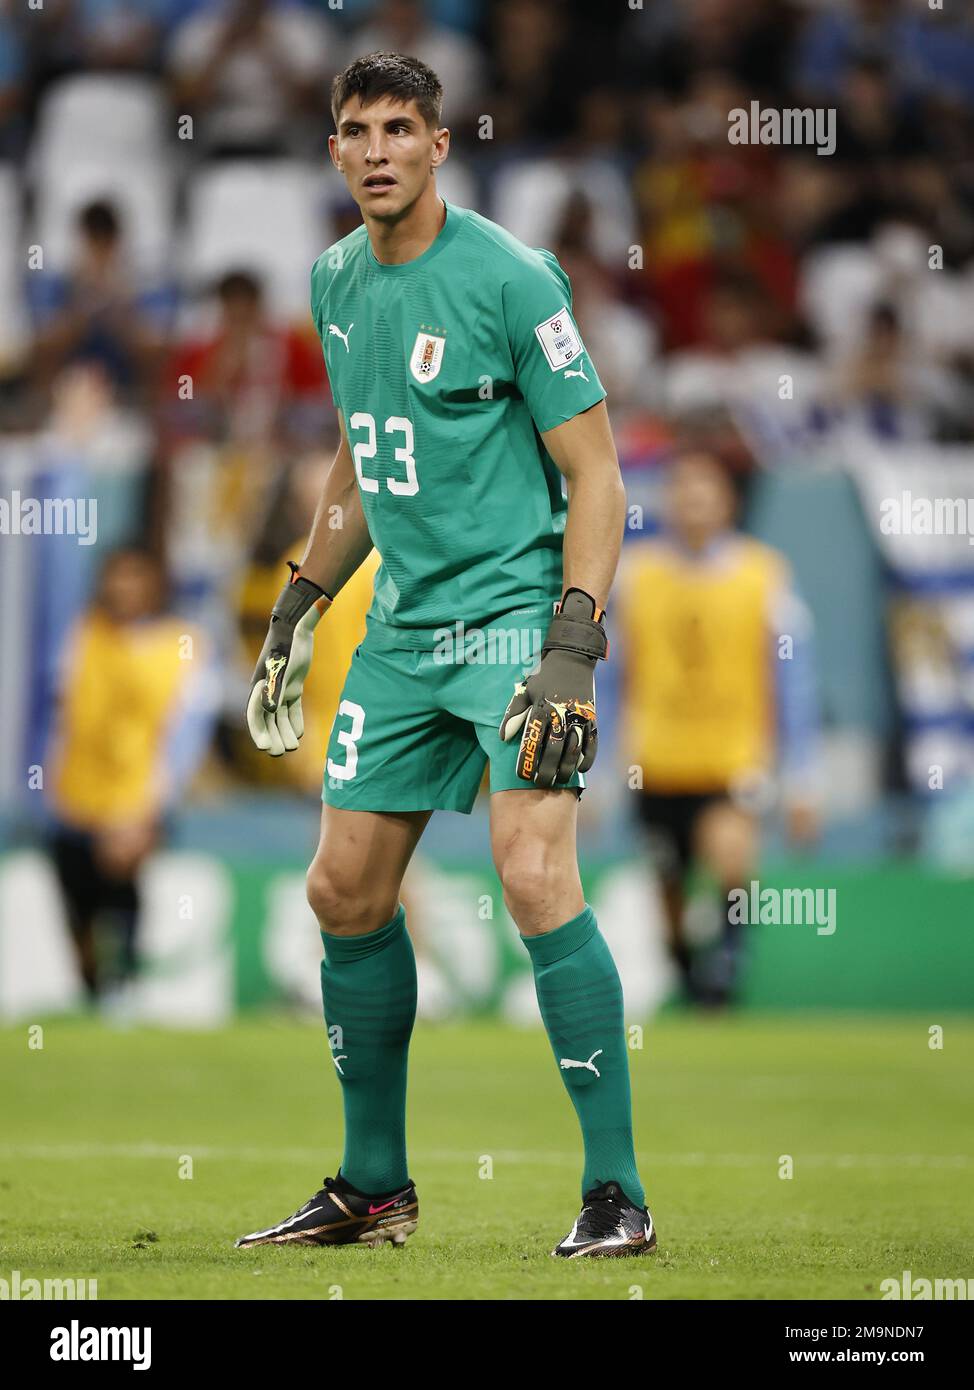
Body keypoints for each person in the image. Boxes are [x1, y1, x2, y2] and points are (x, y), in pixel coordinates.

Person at [235, 51, 655, 1259]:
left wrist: (573, 641)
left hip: (520, 619)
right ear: (333, 151)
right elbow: (364, 457)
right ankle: (373, 1186)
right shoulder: (333, 282)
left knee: (533, 879)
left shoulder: (512, 281)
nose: (374, 149)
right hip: (405, 628)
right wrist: (302, 596)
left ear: (438, 144)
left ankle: (614, 1192)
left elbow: (598, 478)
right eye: (354, 130)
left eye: (397, 128)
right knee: (340, 890)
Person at [616, 451, 821, 1007]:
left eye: (705, 493)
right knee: (669, 887)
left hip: (732, 759)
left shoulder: (764, 574)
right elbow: (614, 674)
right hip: (655, 761)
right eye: (683, 492)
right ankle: (685, 965)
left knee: (732, 856)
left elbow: (794, 677)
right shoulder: (637, 576)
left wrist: (804, 774)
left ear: (728, 503)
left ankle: (729, 962)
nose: (693, 504)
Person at [46, 548, 215, 1007]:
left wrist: (155, 805)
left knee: (121, 882)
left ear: (156, 585)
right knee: (78, 908)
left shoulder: (181, 643)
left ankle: (123, 991)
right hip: (75, 796)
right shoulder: (84, 633)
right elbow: (62, 709)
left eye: (134, 577)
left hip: (136, 798)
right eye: (115, 577)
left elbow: (187, 733)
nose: (122, 588)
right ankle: (95, 994)